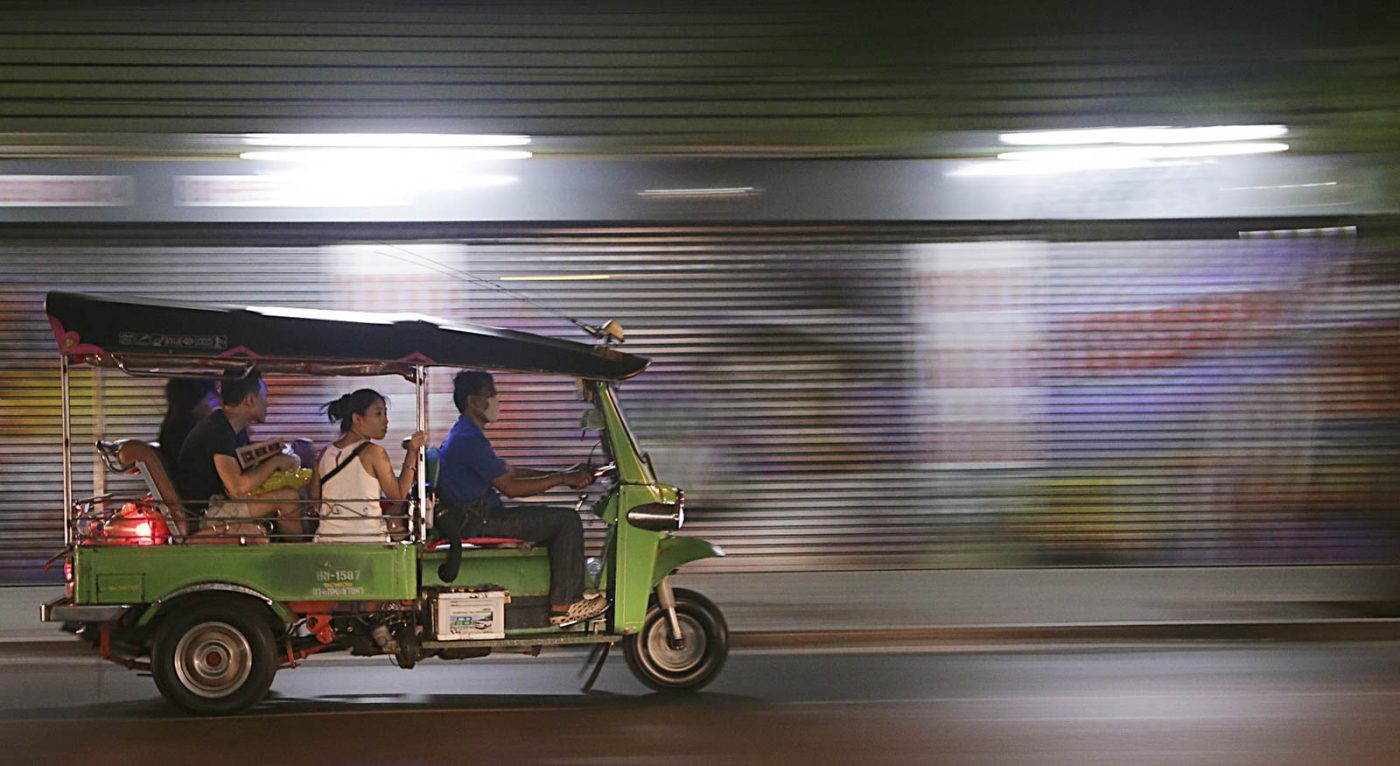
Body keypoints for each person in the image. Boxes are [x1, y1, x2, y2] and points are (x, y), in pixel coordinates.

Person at [436, 370, 605, 626]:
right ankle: (566, 604)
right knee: (566, 521)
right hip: (482, 521)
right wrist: (560, 479)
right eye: (490, 394)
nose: (496, 400)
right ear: (472, 401)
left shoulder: (466, 434)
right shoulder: (469, 439)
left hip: (479, 515)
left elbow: (509, 471)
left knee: (557, 518)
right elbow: (511, 487)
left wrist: (564, 474)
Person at [175, 369, 304, 539]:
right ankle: (296, 555)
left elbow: (245, 466)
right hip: (206, 512)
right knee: (289, 497)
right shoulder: (217, 431)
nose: (267, 404)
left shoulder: (232, 428)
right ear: (250, 400)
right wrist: (275, 462)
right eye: (264, 397)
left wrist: (273, 452)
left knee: (289, 489)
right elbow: (237, 487)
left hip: (219, 502)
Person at [311, 388, 427, 543]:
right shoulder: (374, 453)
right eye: (378, 414)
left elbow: (314, 500)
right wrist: (412, 452)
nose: (386, 421)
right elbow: (398, 497)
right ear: (357, 419)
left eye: (385, 414)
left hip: (326, 540)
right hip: (367, 540)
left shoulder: (325, 454)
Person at [156, 378, 219, 471]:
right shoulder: (185, 437)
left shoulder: (172, 430)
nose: (217, 405)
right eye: (211, 400)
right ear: (193, 404)